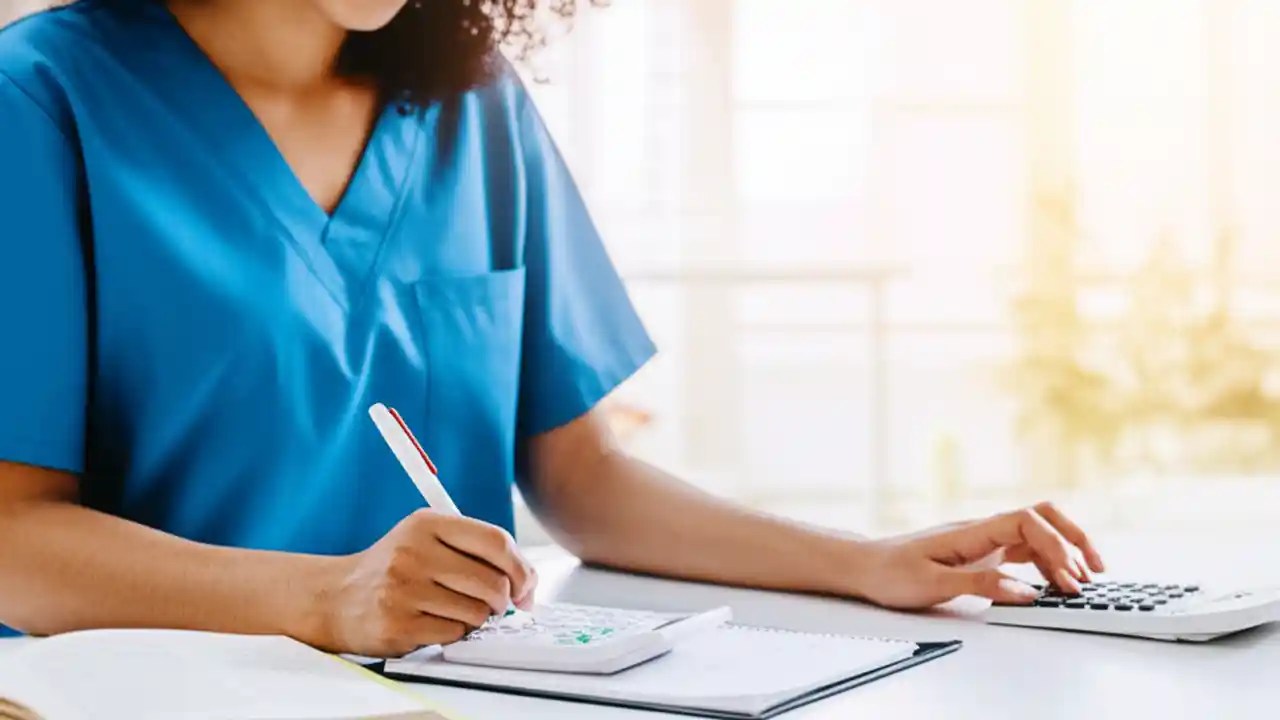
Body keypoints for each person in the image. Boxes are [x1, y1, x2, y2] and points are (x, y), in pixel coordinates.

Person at [0, 0, 1105, 657]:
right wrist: (324, 599)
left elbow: (579, 475)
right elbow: (13, 539)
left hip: (457, 694)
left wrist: (864, 564)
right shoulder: (40, 99)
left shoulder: (473, 103)